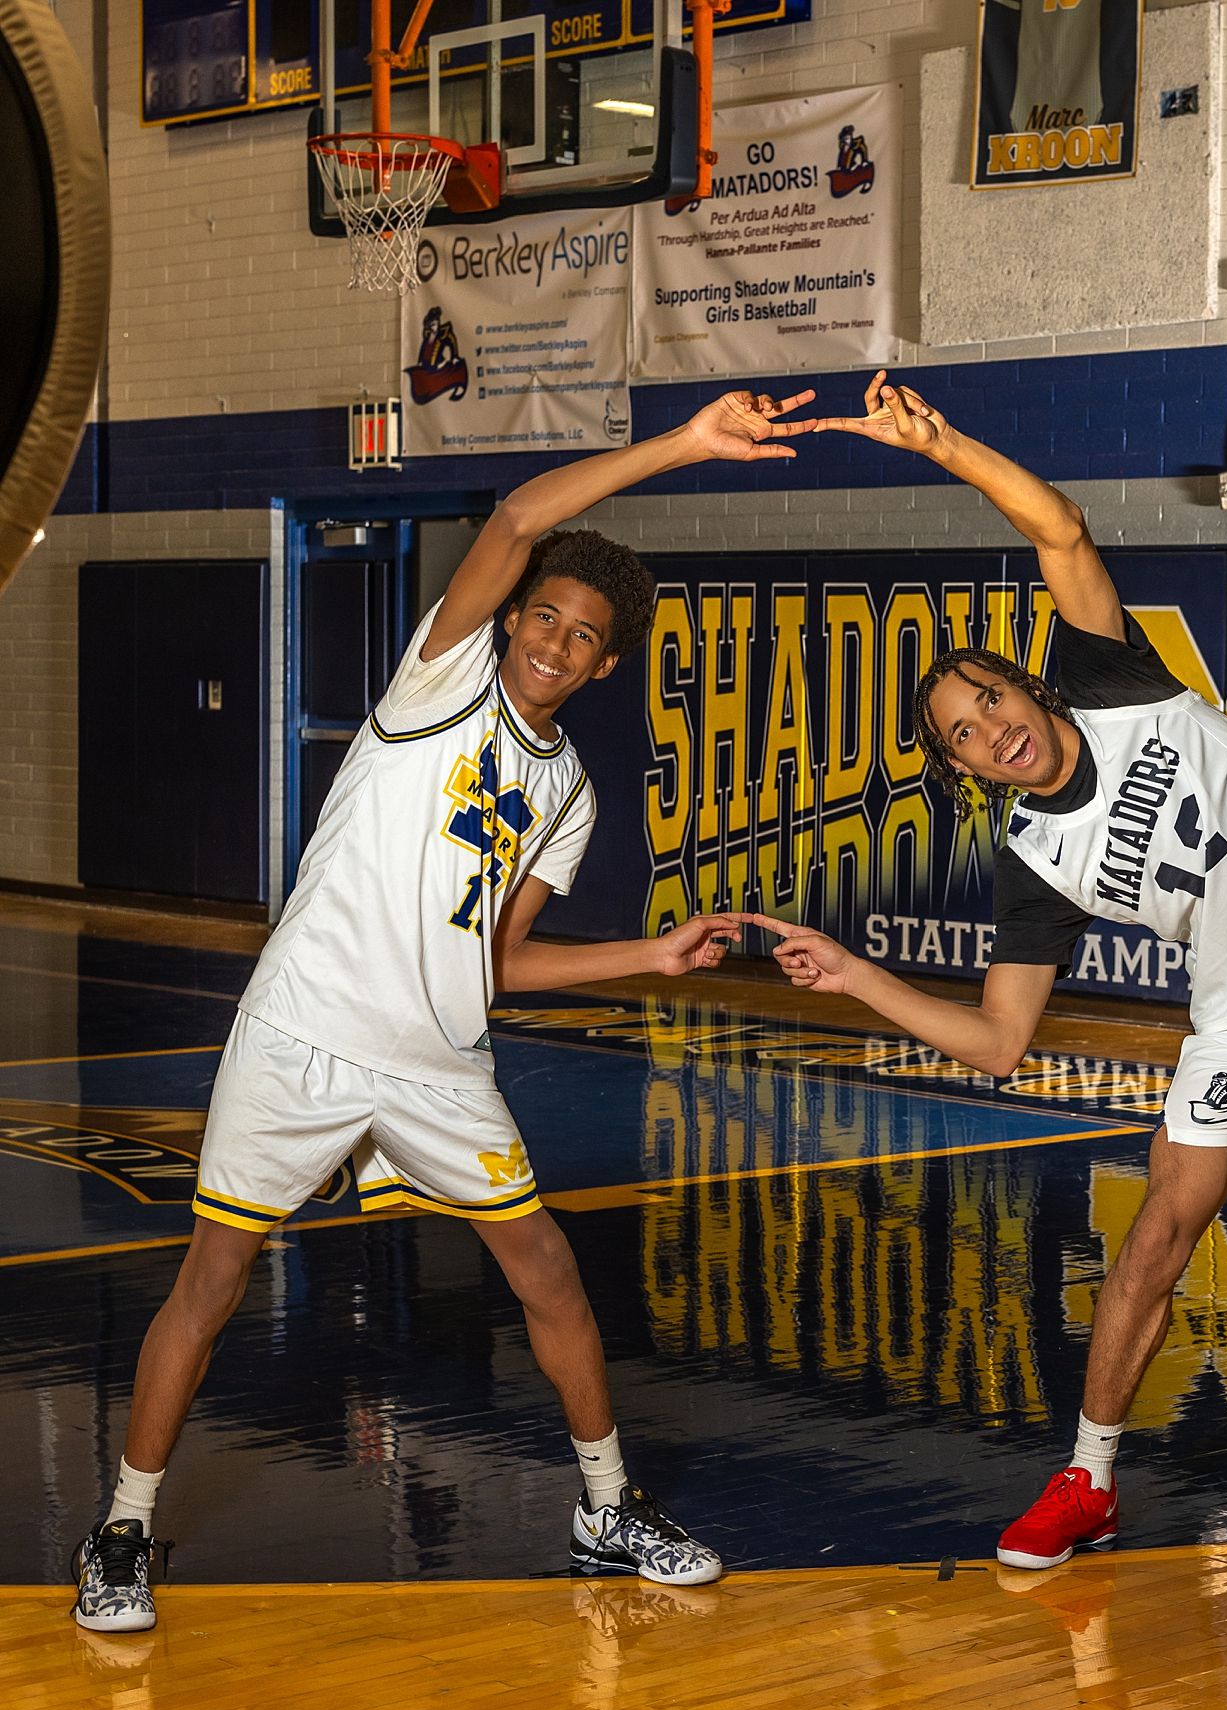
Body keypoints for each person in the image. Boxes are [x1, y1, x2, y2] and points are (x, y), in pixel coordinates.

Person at [752, 371, 1227, 1571]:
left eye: (989, 696)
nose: (988, 727)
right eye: (960, 733)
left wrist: (941, 439)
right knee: (1158, 1235)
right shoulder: (1034, 864)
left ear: (1029, 684)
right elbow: (1000, 1041)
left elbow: (1057, 528)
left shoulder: (1117, 680)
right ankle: (1086, 1478)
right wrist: (857, 973)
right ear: (967, 769)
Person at [73, 387, 818, 1634]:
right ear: (512, 616)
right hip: (304, 1032)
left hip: (435, 1061)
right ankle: (123, 1526)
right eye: (545, 616)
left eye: (584, 638)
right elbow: (524, 511)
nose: (556, 643)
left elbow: (501, 965)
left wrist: (656, 952)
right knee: (209, 1281)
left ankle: (605, 1503)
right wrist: (687, 441)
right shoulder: (441, 679)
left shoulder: (568, 789)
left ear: (605, 663)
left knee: (550, 1274)